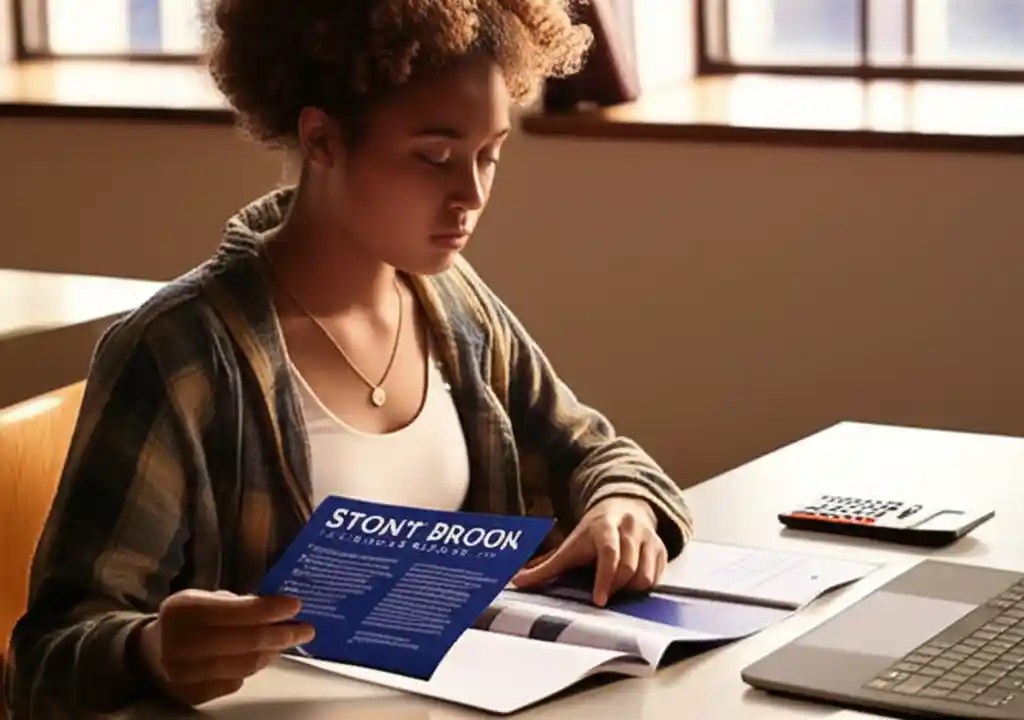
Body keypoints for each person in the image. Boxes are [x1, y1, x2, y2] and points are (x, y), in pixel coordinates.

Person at [4, 1, 693, 717]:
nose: (473, 194)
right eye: (434, 157)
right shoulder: (180, 355)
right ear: (322, 139)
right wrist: (150, 651)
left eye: (490, 153)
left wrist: (623, 507)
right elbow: (45, 660)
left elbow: (600, 454)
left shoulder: (452, 305)